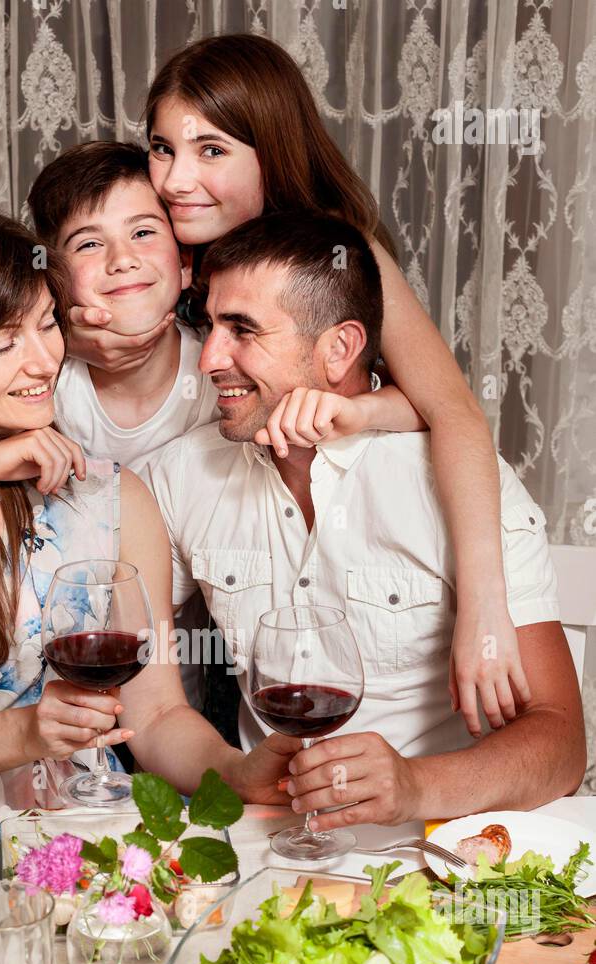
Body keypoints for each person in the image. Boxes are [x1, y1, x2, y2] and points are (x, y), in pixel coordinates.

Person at [0, 136, 423, 803]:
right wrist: (27, 731)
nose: (39, 361)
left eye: (45, 327)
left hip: (90, 814)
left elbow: (154, 714)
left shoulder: (125, 485)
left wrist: (238, 774)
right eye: (4, 343)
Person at [67, 32, 528, 739]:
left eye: (211, 150)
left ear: (272, 153)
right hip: (165, 569)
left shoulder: (336, 253)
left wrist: (484, 608)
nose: (174, 180)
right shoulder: (148, 238)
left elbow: (452, 410)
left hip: (252, 590)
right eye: (162, 148)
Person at [144, 212, 586, 827]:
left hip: (432, 855)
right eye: (209, 324)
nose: (208, 359)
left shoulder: (458, 485)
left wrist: (413, 785)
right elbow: (152, 706)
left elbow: (561, 744)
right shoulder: (178, 476)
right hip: (264, 844)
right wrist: (235, 772)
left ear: (339, 349)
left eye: (242, 330)